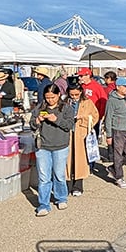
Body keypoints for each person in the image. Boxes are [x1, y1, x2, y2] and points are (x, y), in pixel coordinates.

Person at [30, 84, 74, 217]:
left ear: (58, 95)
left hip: (60, 146)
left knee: (59, 174)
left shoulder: (66, 108)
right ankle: (43, 204)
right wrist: (37, 120)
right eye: (47, 97)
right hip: (42, 146)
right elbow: (31, 124)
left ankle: (61, 197)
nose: (50, 100)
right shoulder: (39, 108)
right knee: (43, 177)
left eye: (53, 97)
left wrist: (56, 119)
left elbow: (70, 125)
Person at [66, 84, 99, 196]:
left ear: (81, 92)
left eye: (76, 94)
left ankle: (78, 186)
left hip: (81, 133)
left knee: (80, 160)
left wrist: (83, 118)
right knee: (67, 160)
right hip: (68, 133)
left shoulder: (87, 102)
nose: (74, 97)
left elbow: (95, 116)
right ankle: (67, 184)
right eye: (72, 94)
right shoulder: (65, 102)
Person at [104, 77, 126, 189]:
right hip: (117, 130)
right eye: (125, 86)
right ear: (118, 87)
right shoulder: (112, 100)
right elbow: (108, 118)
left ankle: (113, 168)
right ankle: (119, 177)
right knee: (118, 154)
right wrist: (108, 135)